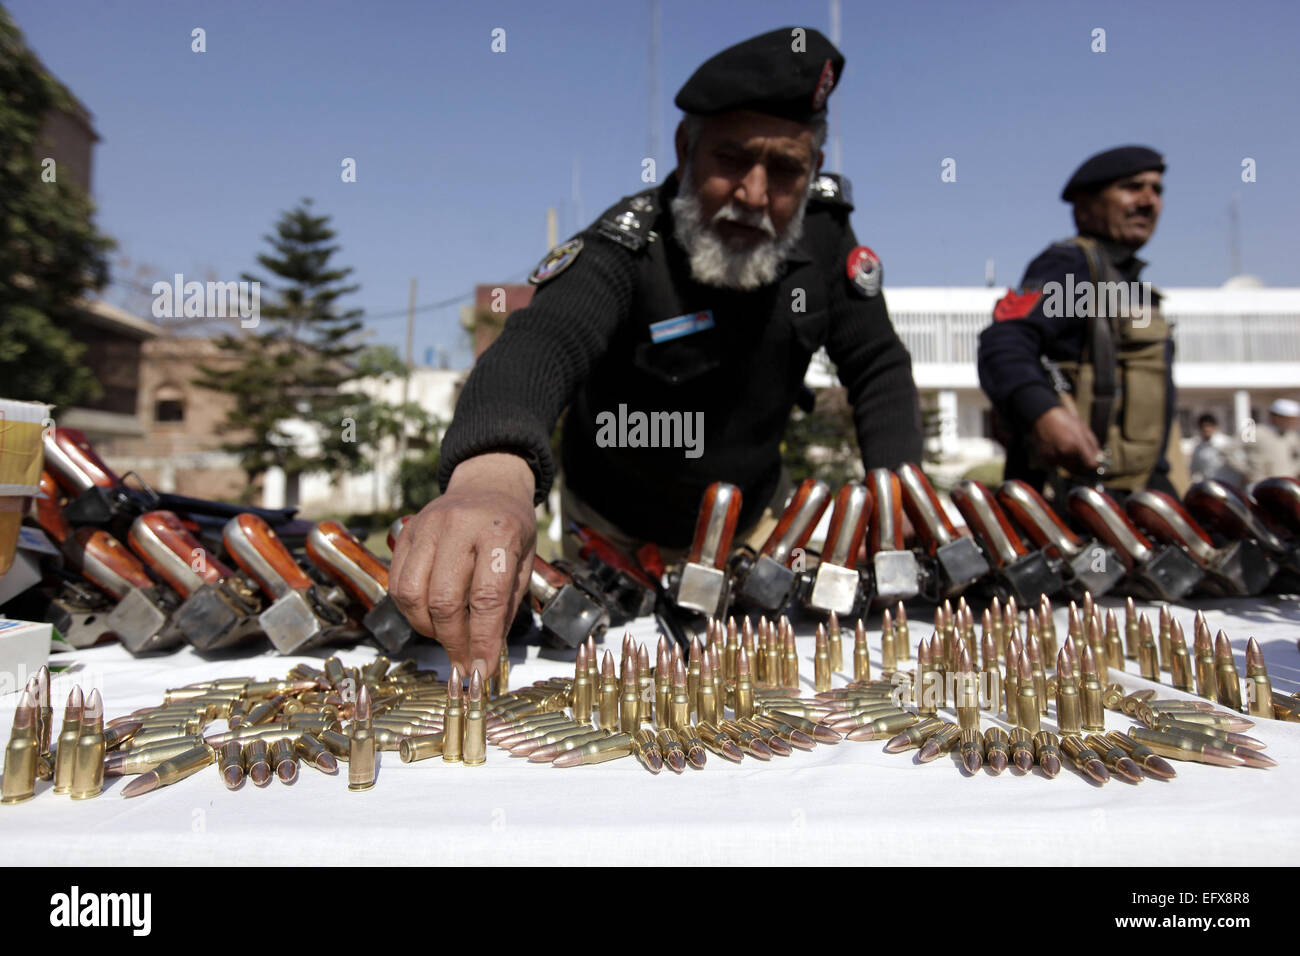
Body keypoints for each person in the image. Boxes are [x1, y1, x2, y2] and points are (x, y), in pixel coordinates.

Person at [390, 27, 922, 676]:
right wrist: (492, 477)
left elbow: (878, 368)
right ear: (684, 149)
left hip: (752, 531)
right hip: (615, 535)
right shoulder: (628, 244)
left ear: (812, 173)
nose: (754, 194)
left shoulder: (828, 238)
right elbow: (543, 341)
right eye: (731, 158)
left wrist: (904, 508)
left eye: (785, 170)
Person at [978, 146, 1182, 502]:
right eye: (1133, 187)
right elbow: (1004, 343)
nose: (1149, 201)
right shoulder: (1072, 265)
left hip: (1136, 496)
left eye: (1157, 190)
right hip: (1074, 503)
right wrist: (1043, 413)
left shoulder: (1129, 284)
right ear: (1085, 204)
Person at [1244, 398, 1300, 482]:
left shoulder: (1291, 436)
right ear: (1275, 416)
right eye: (1287, 419)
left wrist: (1293, 471)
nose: (1291, 422)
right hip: (1260, 483)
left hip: (1286, 482)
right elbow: (1228, 452)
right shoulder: (1255, 432)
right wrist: (1250, 472)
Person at [1189, 413, 1246, 486]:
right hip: (1212, 488)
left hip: (1230, 486)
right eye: (1203, 427)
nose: (1206, 429)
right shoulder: (1198, 449)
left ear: (1215, 427)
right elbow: (1194, 471)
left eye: (1209, 426)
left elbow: (1241, 464)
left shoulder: (1226, 443)